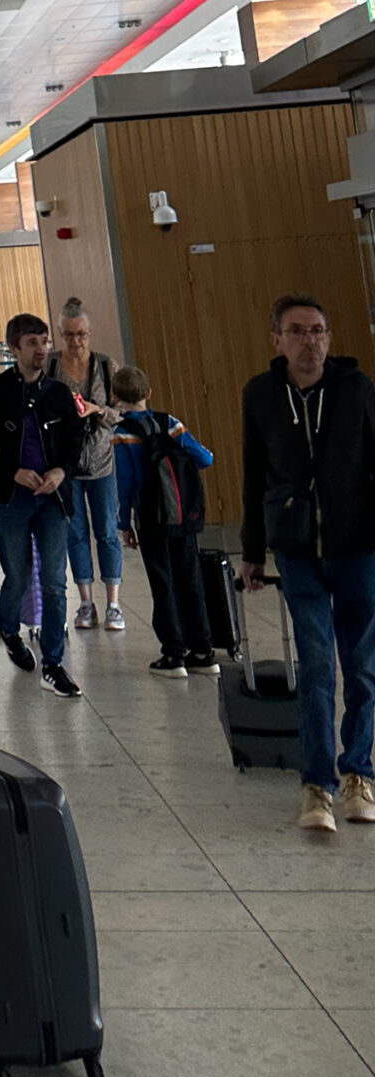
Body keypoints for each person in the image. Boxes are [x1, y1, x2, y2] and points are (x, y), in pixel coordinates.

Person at [240, 294, 375, 836]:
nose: (309, 341)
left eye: (317, 331)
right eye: (296, 331)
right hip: (295, 546)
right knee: (317, 664)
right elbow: (253, 476)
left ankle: (359, 773)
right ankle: (315, 784)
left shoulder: (357, 390)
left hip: (357, 545)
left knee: (362, 666)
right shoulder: (261, 395)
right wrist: (252, 550)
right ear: (277, 339)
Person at [0, 313, 86, 699]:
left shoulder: (58, 394)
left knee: (54, 582)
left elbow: (74, 441)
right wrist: (11, 470)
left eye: (44, 341)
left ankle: (53, 663)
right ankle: (9, 629)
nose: (42, 349)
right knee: (18, 575)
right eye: (32, 342)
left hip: (51, 500)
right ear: (13, 349)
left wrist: (61, 472)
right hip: (11, 499)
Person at [111, 364, 216, 679]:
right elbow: (205, 458)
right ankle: (204, 650)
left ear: (115, 397)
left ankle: (173, 654)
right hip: (183, 517)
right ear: (148, 394)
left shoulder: (123, 433)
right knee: (190, 580)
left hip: (152, 518)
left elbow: (126, 483)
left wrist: (124, 522)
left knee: (163, 584)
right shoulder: (170, 423)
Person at [55, 300, 125, 633]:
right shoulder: (52, 368)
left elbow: (120, 414)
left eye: (81, 334)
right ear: (60, 334)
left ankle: (113, 603)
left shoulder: (106, 366)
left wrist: (96, 409)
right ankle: (85, 602)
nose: (76, 342)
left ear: (90, 333)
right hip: (66, 465)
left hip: (101, 462)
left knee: (107, 532)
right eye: (69, 335)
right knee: (75, 533)